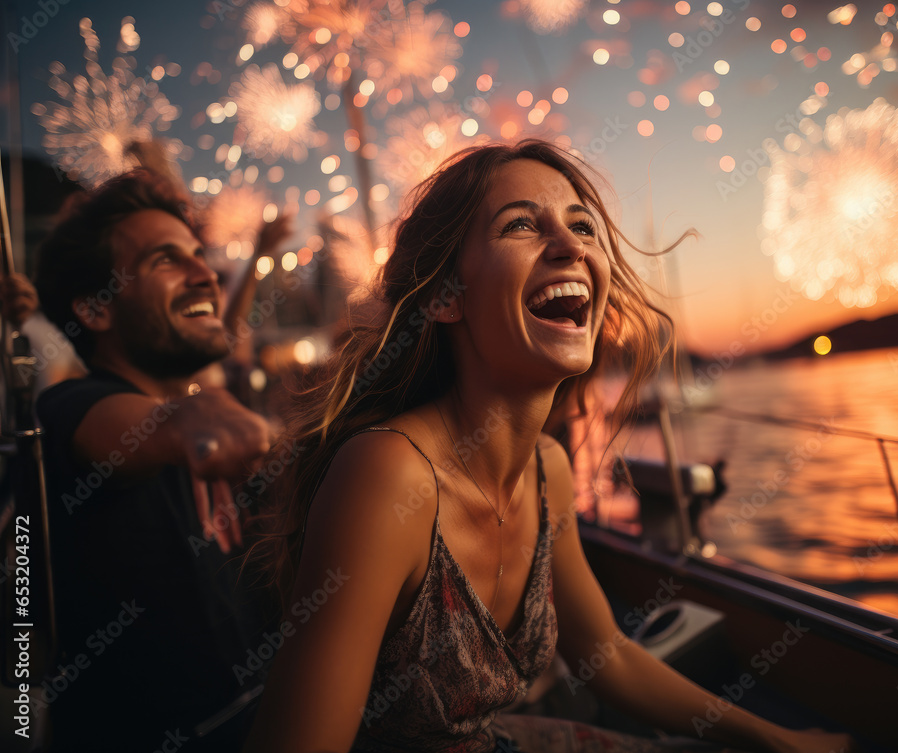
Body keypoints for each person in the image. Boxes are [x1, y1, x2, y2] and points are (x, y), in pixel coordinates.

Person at [242, 141, 854, 753]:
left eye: (582, 225)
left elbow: (608, 659)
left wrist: (777, 741)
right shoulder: (389, 475)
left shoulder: (547, 470)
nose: (572, 246)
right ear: (444, 296)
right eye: (520, 226)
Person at [33, 170, 274, 752]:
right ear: (94, 309)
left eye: (199, 254)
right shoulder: (68, 410)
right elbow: (143, 428)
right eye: (168, 260)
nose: (206, 273)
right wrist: (196, 418)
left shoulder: (200, 423)